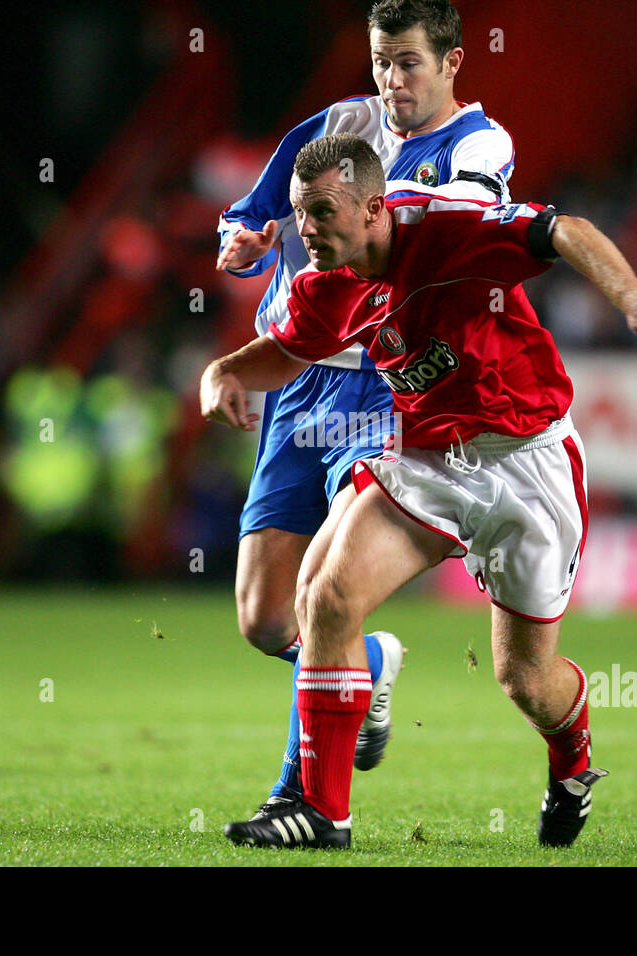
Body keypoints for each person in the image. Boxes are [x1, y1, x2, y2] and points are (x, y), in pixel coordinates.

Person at [200, 133, 637, 848]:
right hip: (430, 462)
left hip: (529, 464)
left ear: (373, 207)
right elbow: (284, 350)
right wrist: (224, 374)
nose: (307, 228)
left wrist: (629, 290)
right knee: (327, 595)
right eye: (301, 212)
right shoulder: (328, 285)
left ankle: (571, 760)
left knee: (526, 681)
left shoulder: (449, 226)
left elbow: (562, 231)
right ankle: (321, 812)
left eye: (323, 210)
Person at [216, 0, 515, 817]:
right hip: (298, 376)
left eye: (409, 62)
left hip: (387, 382)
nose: (391, 80)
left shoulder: (478, 147)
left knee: (328, 593)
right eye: (382, 60)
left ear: (452, 62)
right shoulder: (345, 120)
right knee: (265, 620)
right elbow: (254, 209)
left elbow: (452, 231)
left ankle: (301, 800)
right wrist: (242, 243)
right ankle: (370, 665)